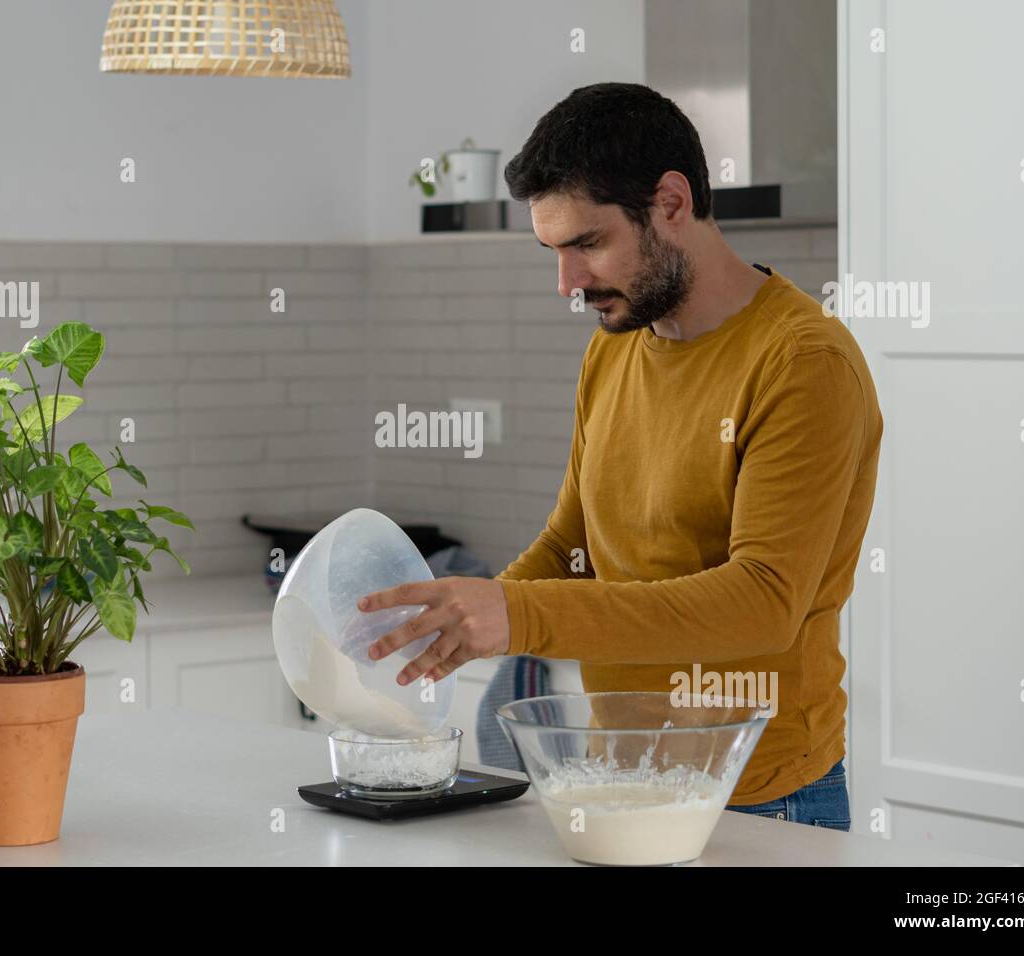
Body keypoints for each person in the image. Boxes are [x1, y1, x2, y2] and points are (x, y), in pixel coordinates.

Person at [359, 83, 881, 827]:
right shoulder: (617, 349)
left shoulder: (802, 361)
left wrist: (517, 613)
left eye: (587, 244)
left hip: (763, 799)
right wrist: (453, 624)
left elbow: (763, 603)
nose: (568, 283)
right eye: (554, 252)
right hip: (622, 780)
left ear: (671, 202)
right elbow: (573, 543)